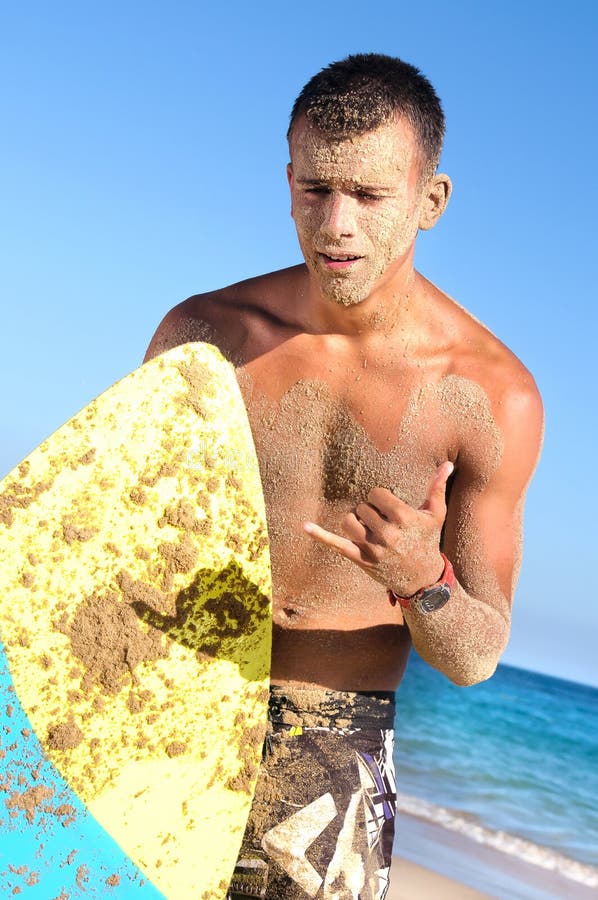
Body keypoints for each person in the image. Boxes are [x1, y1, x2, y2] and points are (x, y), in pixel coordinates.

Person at [145, 54, 543, 899]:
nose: (336, 224)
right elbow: (115, 529)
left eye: (368, 196)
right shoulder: (204, 334)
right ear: (289, 179)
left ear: (430, 201)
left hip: (330, 745)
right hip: (169, 700)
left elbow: (475, 656)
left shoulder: (488, 398)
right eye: (317, 188)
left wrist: (418, 579)